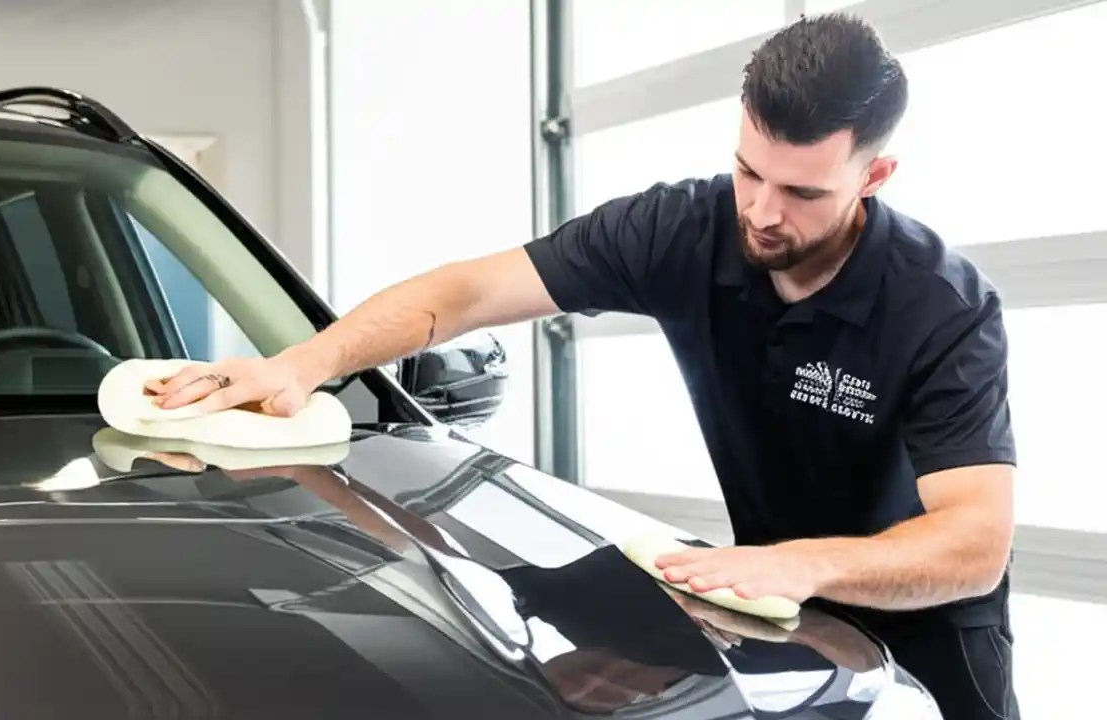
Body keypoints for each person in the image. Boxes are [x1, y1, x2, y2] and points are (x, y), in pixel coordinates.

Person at [146, 12, 1019, 718]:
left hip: (931, 640)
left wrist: (804, 563)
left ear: (877, 175)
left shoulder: (941, 305)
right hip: (767, 616)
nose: (760, 210)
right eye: (748, 170)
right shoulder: (681, 229)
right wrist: (303, 364)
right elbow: (465, 294)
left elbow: (974, 543)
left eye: (801, 192)